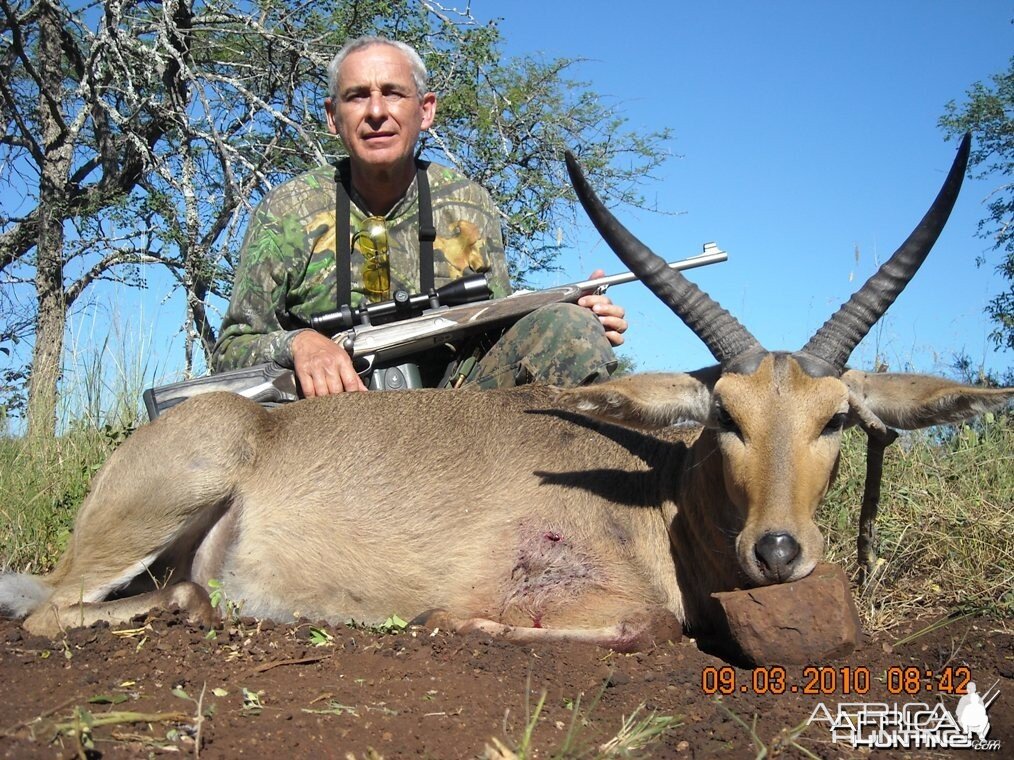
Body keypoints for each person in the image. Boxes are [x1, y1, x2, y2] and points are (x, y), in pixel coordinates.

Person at [212, 36, 627, 395]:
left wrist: (579, 313)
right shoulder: (286, 210)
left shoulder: (469, 204)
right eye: (357, 95)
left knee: (569, 327)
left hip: (453, 410)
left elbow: (498, 324)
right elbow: (230, 350)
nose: (376, 111)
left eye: (393, 93)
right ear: (332, 116)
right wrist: (299, 344)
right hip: (329, 424)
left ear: (425, 110)